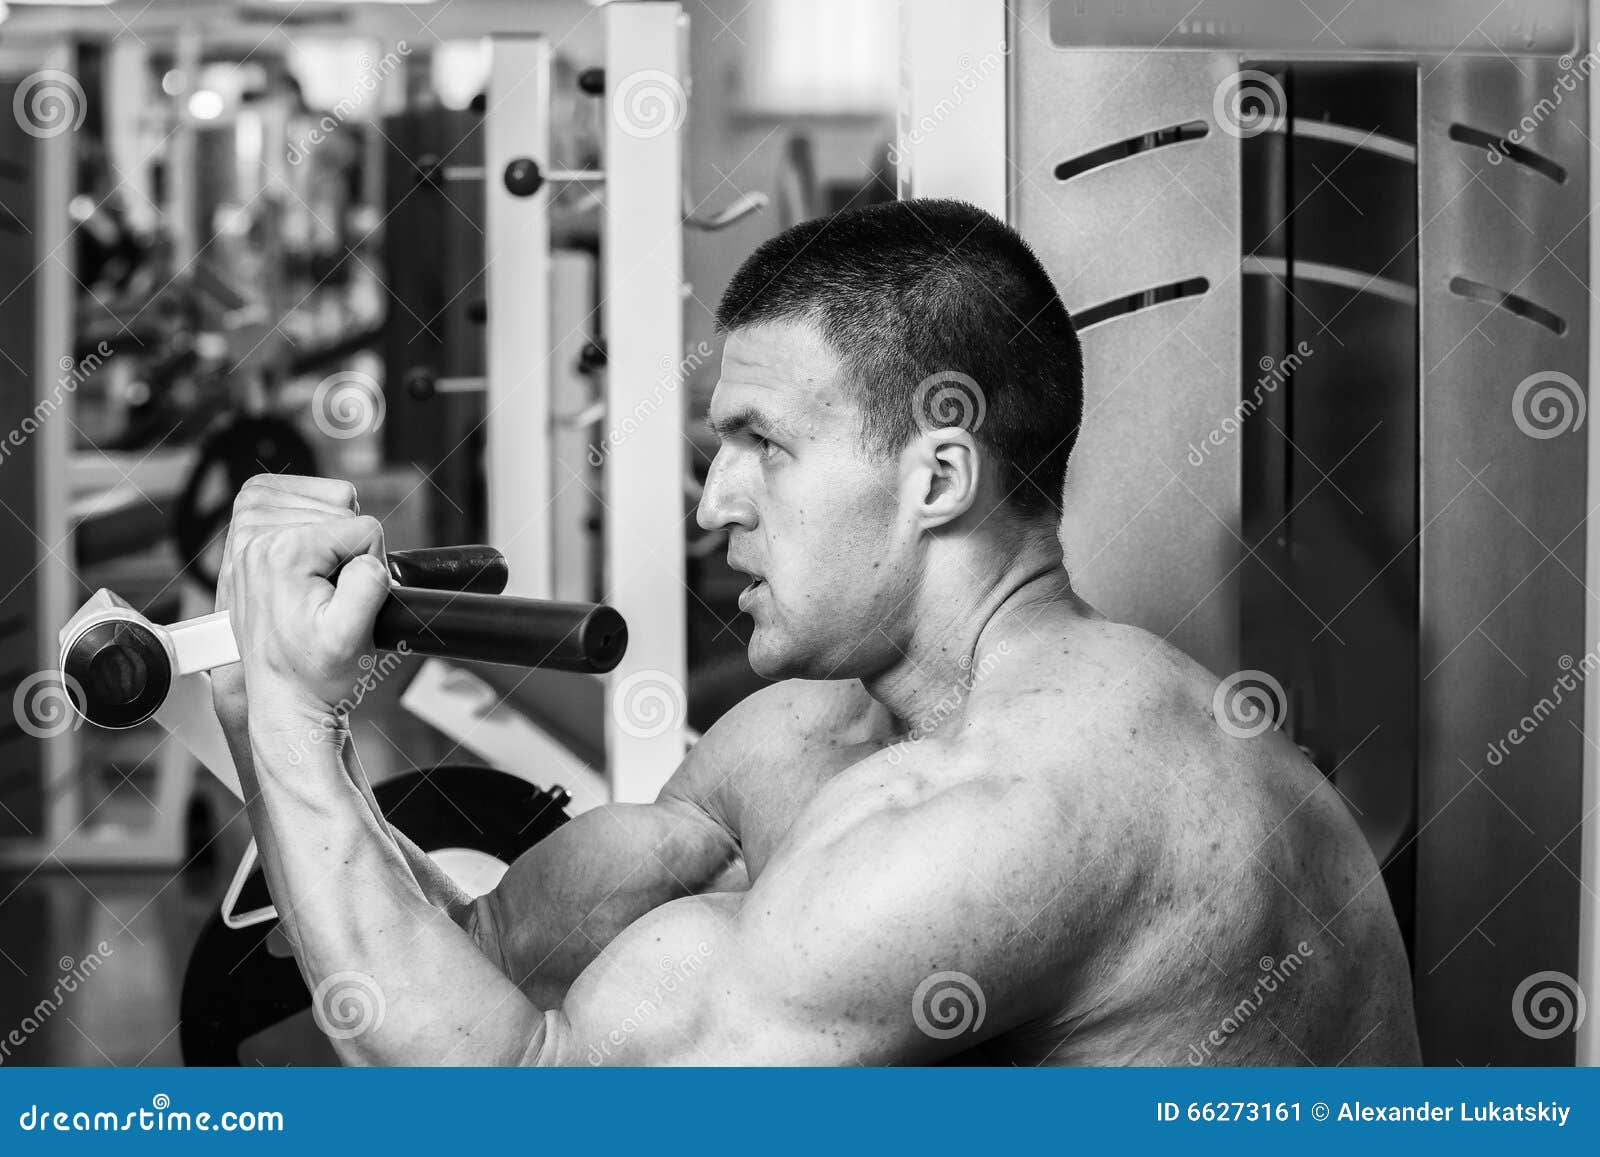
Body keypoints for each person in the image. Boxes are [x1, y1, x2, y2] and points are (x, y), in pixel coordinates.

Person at [213, 198, 1421, 1065]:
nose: (712, 501)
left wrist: (286, 717)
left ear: (936, 477)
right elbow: (488, 956)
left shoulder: (1023, 803)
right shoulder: (805, 735)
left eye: (764, 447)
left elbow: (521, 1095)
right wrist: (265, 704)